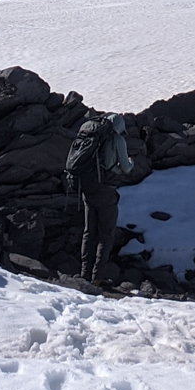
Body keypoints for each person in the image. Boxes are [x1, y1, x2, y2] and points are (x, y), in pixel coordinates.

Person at [64, 111, 129, 283]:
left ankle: (84, 273)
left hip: (87, 189)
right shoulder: (117, 140)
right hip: (106, 191)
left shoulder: (92, 137)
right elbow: (126, 167)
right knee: (106, 234)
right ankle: (98, 278)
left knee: (89, 232)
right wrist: (131, 162)